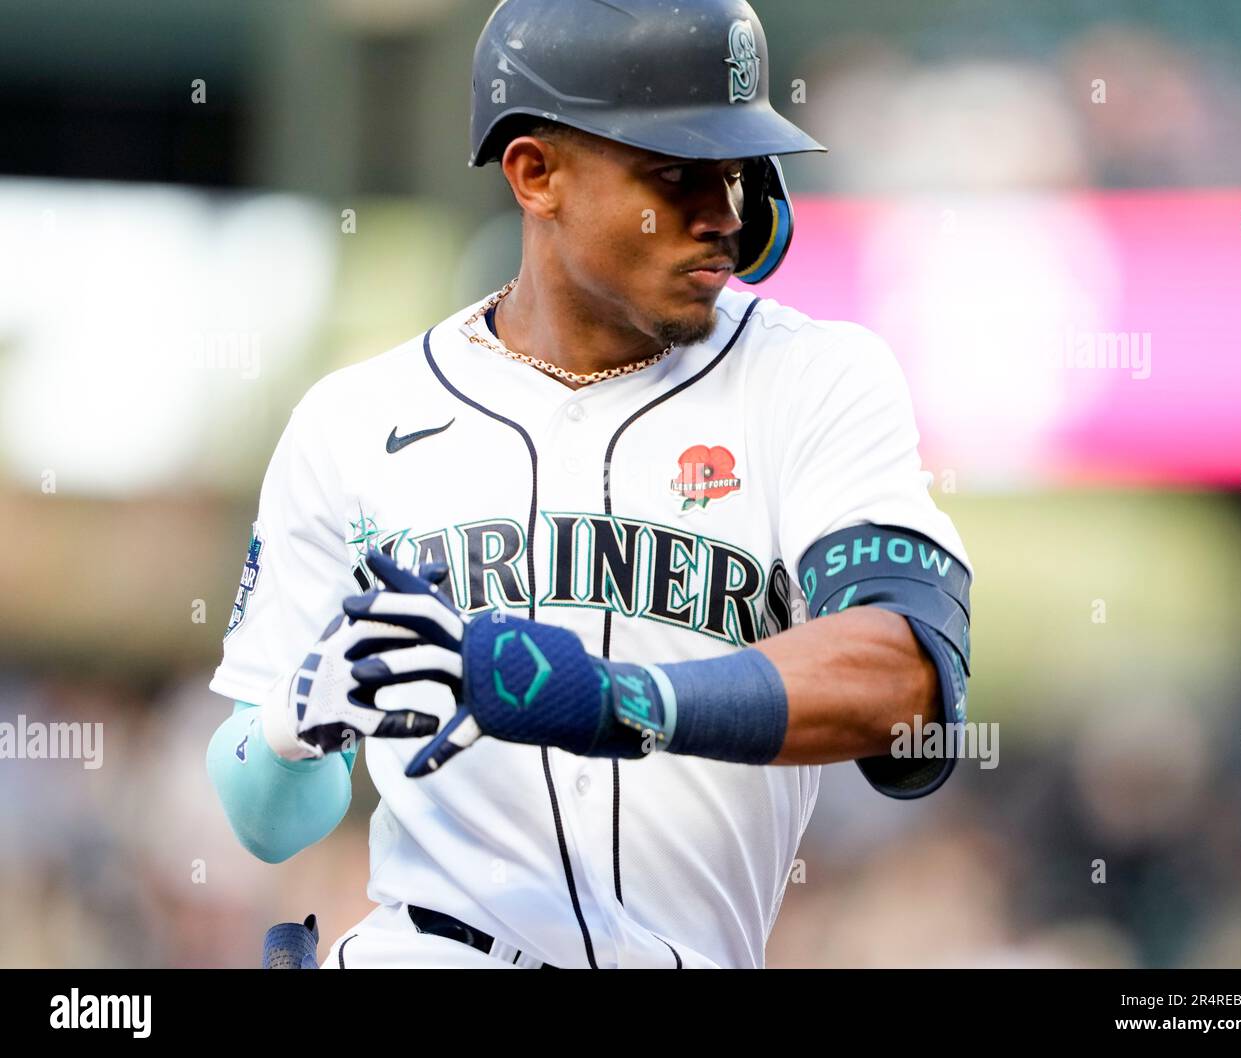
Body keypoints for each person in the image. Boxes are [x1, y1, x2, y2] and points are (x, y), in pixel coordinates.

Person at [207, 0, 972, 969]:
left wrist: (614, 698)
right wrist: (291, 722)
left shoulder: (813, 376)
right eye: (676, 173)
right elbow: (263, 823)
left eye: (735, 170)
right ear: (535, 173)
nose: (723, 214)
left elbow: (904, 678)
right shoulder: (355, 416)